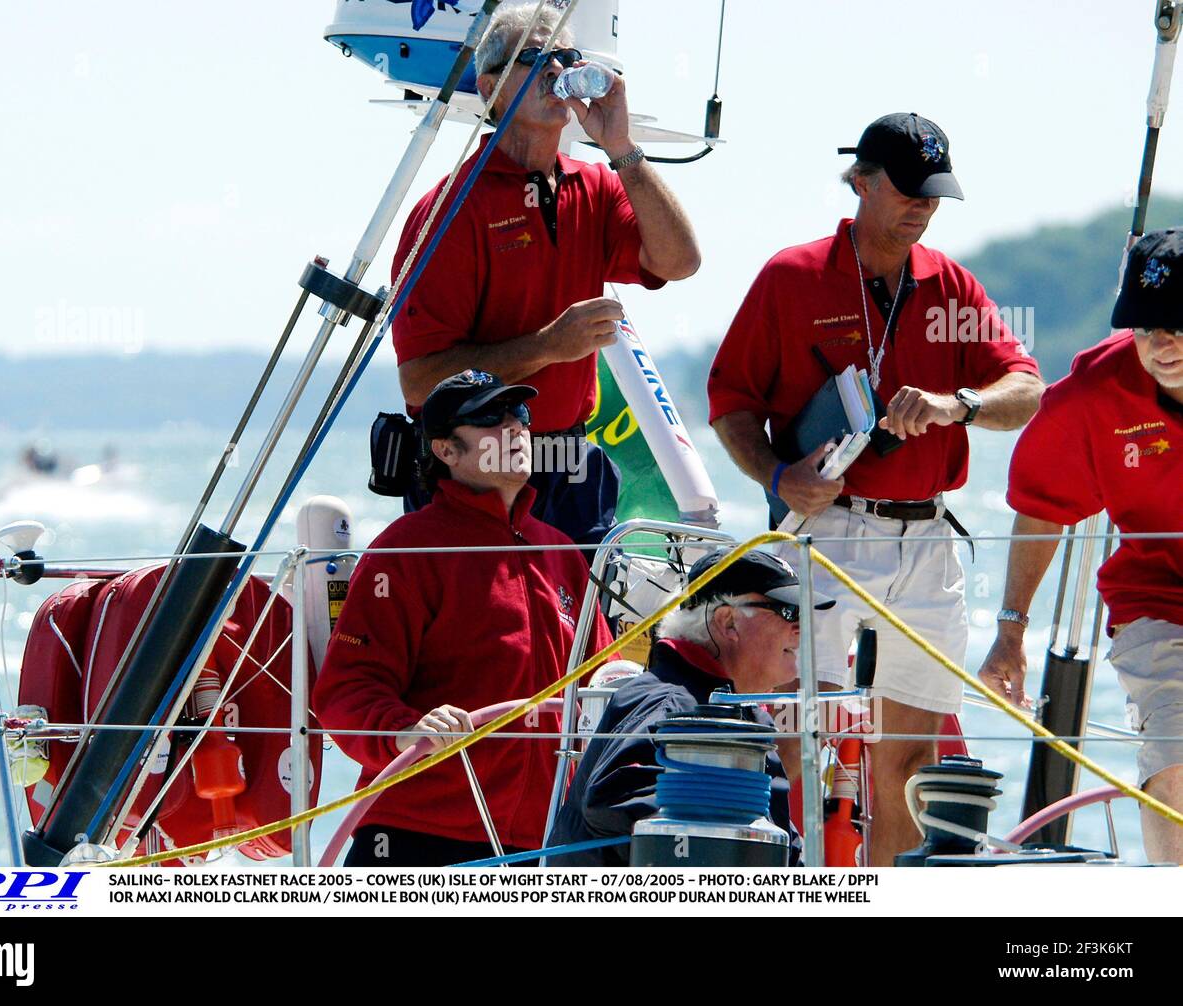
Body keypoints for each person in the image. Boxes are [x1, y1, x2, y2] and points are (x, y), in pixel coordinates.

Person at [706, 112, 1044, 865]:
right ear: (860, 183)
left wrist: (962, 405)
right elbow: (730, 403)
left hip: (927, 539)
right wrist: (775, 475)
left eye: (934, 195)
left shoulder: (950, 282)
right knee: (806, 743)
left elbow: (1027, 388)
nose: (922, 207)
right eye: (907, 191)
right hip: (826, 532)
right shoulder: (790, 277)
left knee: (912, 762)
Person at [390, 2, 701, 545]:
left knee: (578, 631)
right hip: (474, 474)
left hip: (570, 467)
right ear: (491, 89)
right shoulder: (451, 209)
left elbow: (680, 262)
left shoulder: (595, 186)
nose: (557, 68)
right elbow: (420, 381)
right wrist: (549, 346)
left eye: (566, 55)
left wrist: (621, 147)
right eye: (536, 56)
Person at [313, 370, 614, 866]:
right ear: (445, 451)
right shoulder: (407, 550)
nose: (515, 428)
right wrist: (405, 731)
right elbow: (347, 690)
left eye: (521, 415)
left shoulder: (561, 553)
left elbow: (606, 681)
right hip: (417, 836)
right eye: (490, 418)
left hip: (543, 843)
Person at [978, 228, 1183, 863]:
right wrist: (1010, 631)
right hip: (1156, 603)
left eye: (1177, 324)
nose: (1162, 343)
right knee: (1177, 755)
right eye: (1147, 328)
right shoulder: (1094, 392)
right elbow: (1042, 508)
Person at [549, 549, 830, 865]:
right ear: (728, 622)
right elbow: (614, 801)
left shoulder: (738, 714)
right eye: (788, 612)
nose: (803, 628)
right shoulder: (669, 704)